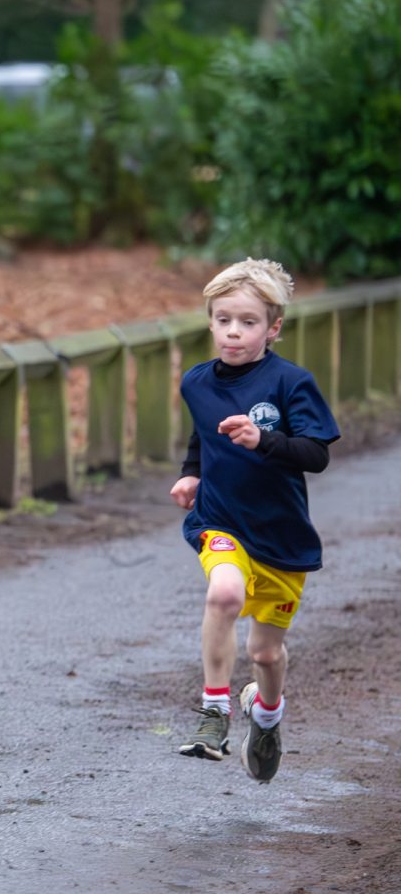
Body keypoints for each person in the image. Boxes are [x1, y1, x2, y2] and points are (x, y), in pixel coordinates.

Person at [171, 258, 337, 782]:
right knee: (222, 594)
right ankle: (214, 711)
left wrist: (263, 439)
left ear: (273, 327)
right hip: (220, 522)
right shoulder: (196, 382)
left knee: (264, 654)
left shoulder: (292, 382)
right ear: (211, 321)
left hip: (281, 537)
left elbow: (316, 454)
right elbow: (202, 433)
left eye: (247, 321)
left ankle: (266, 717)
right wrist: (191, 475)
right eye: (223, 320)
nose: (233, 332)